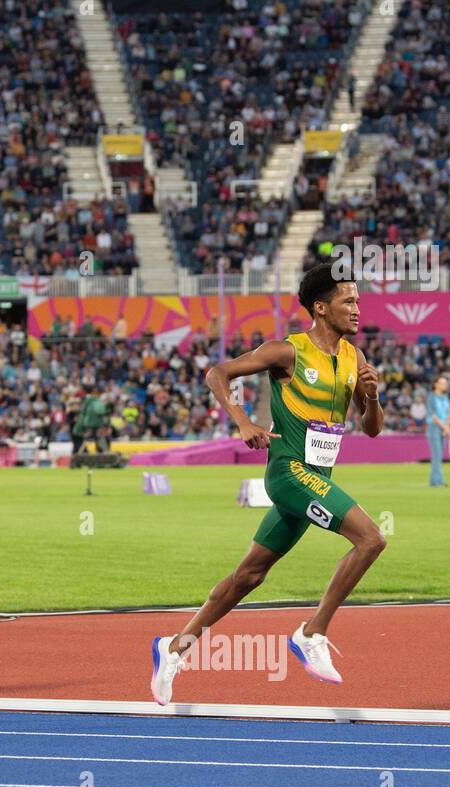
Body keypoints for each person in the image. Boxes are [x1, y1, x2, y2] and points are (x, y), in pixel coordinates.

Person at [151, 262, 386, 705]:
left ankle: (174, 647)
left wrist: (371, 396)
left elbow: (372, 429)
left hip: (317, 477)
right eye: (348, 301)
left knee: (249, 575)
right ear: (321, 307)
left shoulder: (355, 359)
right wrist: (242, 421)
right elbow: (216, 373)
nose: (357, 309)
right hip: (288, 473)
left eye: (358, 300)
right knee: (371, 539)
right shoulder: (287, 352)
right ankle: (311, 633)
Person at [427, 375, 450, 487]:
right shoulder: (432, 397)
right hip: (434, 427)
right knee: (436, 454)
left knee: (439, 455)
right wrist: (444, 427)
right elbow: (433, 415)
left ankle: (434, 480)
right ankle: (438, 481)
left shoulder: (446, 397)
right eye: (442, 383)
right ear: (436, 384)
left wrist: (447, 426)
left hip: (443, 427)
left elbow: (448, 413)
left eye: (445, 383)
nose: (444, 385)